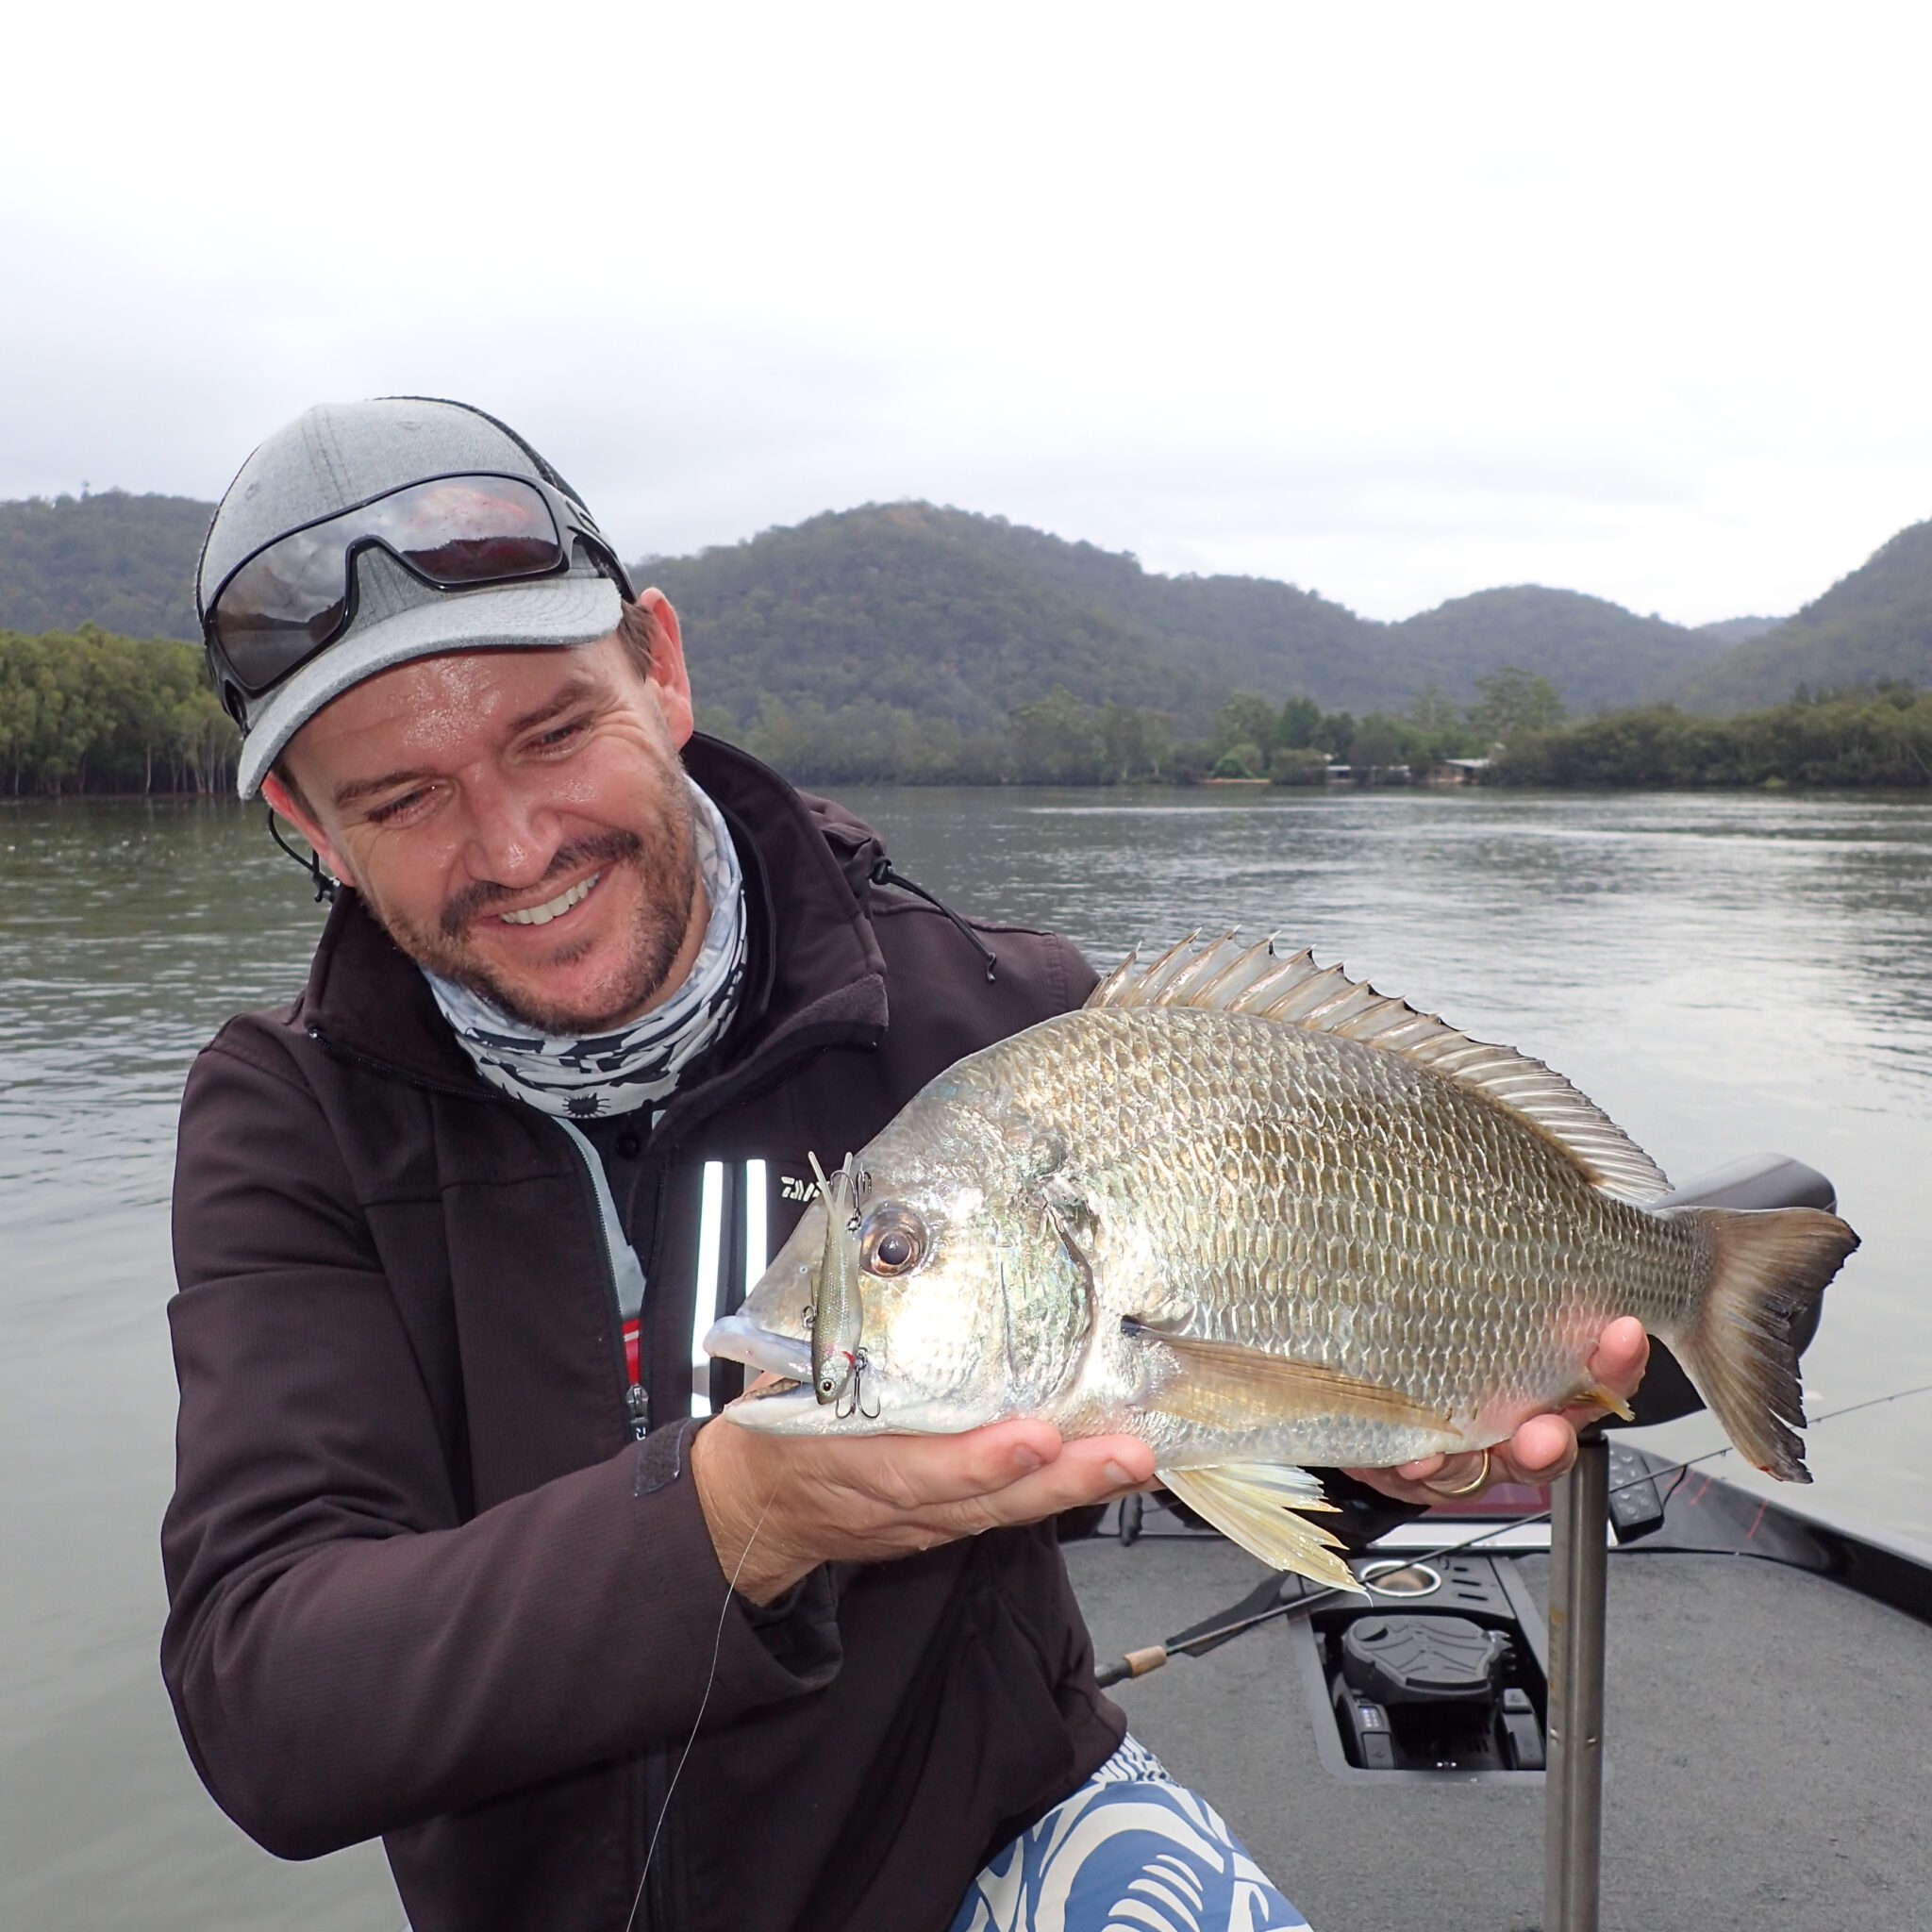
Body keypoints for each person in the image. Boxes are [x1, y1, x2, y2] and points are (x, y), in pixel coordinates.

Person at [161, 397, 1648, 1932]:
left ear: (661, 667)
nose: (519, 841)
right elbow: (270, 1707)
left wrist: (1386, 1454)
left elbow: (1180, 1443)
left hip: (996, 1844)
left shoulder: (999, 1023)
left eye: (555, 733)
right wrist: (742, 1515)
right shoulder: (288, 1117)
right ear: (309, 826)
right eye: (402, 799)